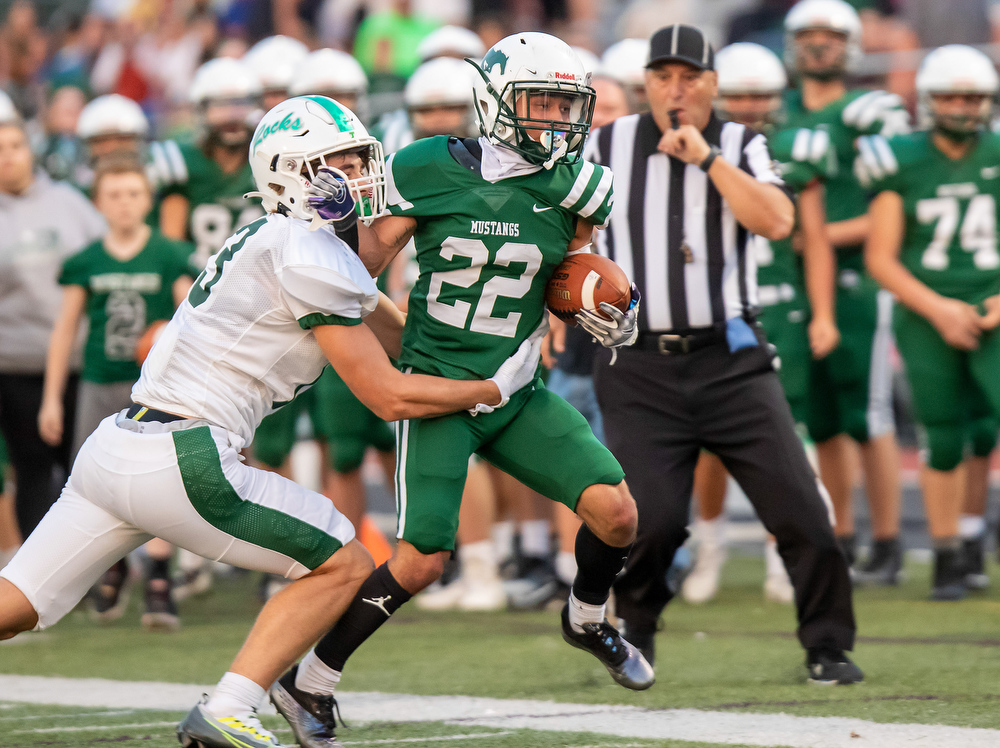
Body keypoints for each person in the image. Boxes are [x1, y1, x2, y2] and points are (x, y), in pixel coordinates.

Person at [0, 95, 543, 748]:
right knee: (344, 562)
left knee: (17, 604)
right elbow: (388, 394)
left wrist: (429, 241)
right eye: (337, 159)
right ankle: (231, 705)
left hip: (117, 448)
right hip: (184, 455)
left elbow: (389, 321)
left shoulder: (282, 238)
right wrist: (491, 386)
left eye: (358, 156)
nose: (357, 170)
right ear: (289, 171)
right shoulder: (307, 254)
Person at [267, 34, 653, 748]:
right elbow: (364, 268)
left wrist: (602, 309)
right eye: (542, 103)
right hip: (439, 387)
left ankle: (589, 617)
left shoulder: (574, 182)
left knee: (617, 513)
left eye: (568, 106)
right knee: (422, 557)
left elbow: (574, 271)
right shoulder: (424, 166)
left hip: (516, 388)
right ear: (495, 99)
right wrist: (329, 234)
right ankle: (310, 682)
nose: (557, 121)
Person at [587, 23, 861, 684]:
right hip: (638, 365)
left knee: (802, 511)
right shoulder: (603, 144)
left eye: (690, 77)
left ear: (714, 83)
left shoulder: (742, 143)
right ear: (644, 84)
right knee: (649, 521)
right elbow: (568, 236)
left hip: (731, 360)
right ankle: (638, 631)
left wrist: (707, 160)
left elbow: (777, 220)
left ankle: (827, 645)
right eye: (662, 77)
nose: (675, 89)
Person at [681, 41, 839, 606]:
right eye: (740, 95)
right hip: (721, 308)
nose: (749, 106)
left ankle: (783, 552)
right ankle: (712, 546)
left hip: (781, 305)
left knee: (786, 441)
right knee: (706, 443)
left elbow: (813, 239)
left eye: (760, 95)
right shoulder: (701, 144)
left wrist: (823, 312)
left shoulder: (797, 147)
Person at [860, 45, 1000, 600]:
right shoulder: (900, 157)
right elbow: (880, 256)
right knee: (942, 433)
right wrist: (940, 309)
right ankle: (946, 554)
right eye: (950, 96)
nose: (962, 107)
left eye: (972, 97)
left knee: (986, 429)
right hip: (926, 310)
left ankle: (970, 535)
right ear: (928, 100)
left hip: (992, 301)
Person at [38, 153, 195, 630]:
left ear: (147, 199)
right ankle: (113, 565)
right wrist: (50, 396)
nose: (124, 204)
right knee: (92, 480)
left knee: (161, 479)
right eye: (114, 195)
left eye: (133, 194)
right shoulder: (86, 261)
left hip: (155, 389)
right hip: (98, 380)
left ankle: (160, 575)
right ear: (98, 202)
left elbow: (192, 319)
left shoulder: (168, 254)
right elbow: (65, 330)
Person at [782, 0, 910, 581]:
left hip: (857, 276)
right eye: (806, 34)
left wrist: (820, 234)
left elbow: (897, 199)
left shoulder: (871, 110)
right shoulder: (775, 112)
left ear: (851, 44)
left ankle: (888, 540)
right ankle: (842, 536)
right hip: (792, 280)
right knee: (826, 417)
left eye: (829, 35)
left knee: (870, 413)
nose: (817, 45)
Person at [0, 115, 106, 541]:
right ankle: (35, 575)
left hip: (80, 361)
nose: (7, 158)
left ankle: (97, 570)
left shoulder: (69, 202)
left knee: (86, 468)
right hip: (15, 363)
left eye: (15, 147)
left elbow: (105, 260)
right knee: (32, 468)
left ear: (31, 151)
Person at [158, 57, 266, 268]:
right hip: (197, 279)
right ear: (201, 111)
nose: (233, 115)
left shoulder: (268, 159)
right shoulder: (183, 163)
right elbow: (171, 244)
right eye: (220, 106)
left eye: (241, 103)